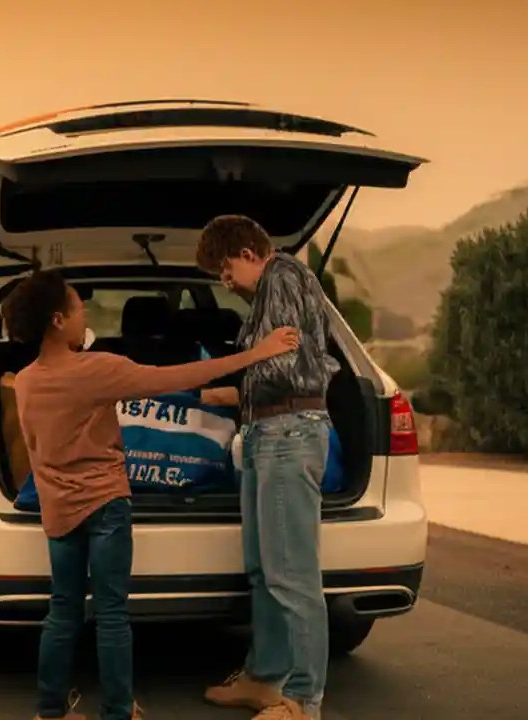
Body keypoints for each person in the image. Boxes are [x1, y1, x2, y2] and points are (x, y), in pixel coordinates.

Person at [0, 269, 300, 720]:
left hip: (59, 511)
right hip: (106, 507)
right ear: (59, 320)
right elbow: (177, 376)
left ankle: (50, 711)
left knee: (62, 611)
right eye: (80, 310)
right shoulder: (98, 369)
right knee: (112, 614)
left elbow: (37, 450)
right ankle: (118, 712)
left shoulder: (24, 381)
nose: (86, 319)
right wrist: (258, 353)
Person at [195, 216, 341, 720]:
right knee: (264, 571)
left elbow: (279, 365)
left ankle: (302, 701)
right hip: (265, 432)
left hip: (288, 433)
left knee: (292, 577)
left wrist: (231, 367)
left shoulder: (281, 275)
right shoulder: (269, 293)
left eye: (225, 269)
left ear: (246, 253)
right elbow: (273, 366)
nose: (225, 281)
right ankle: (264, 679)